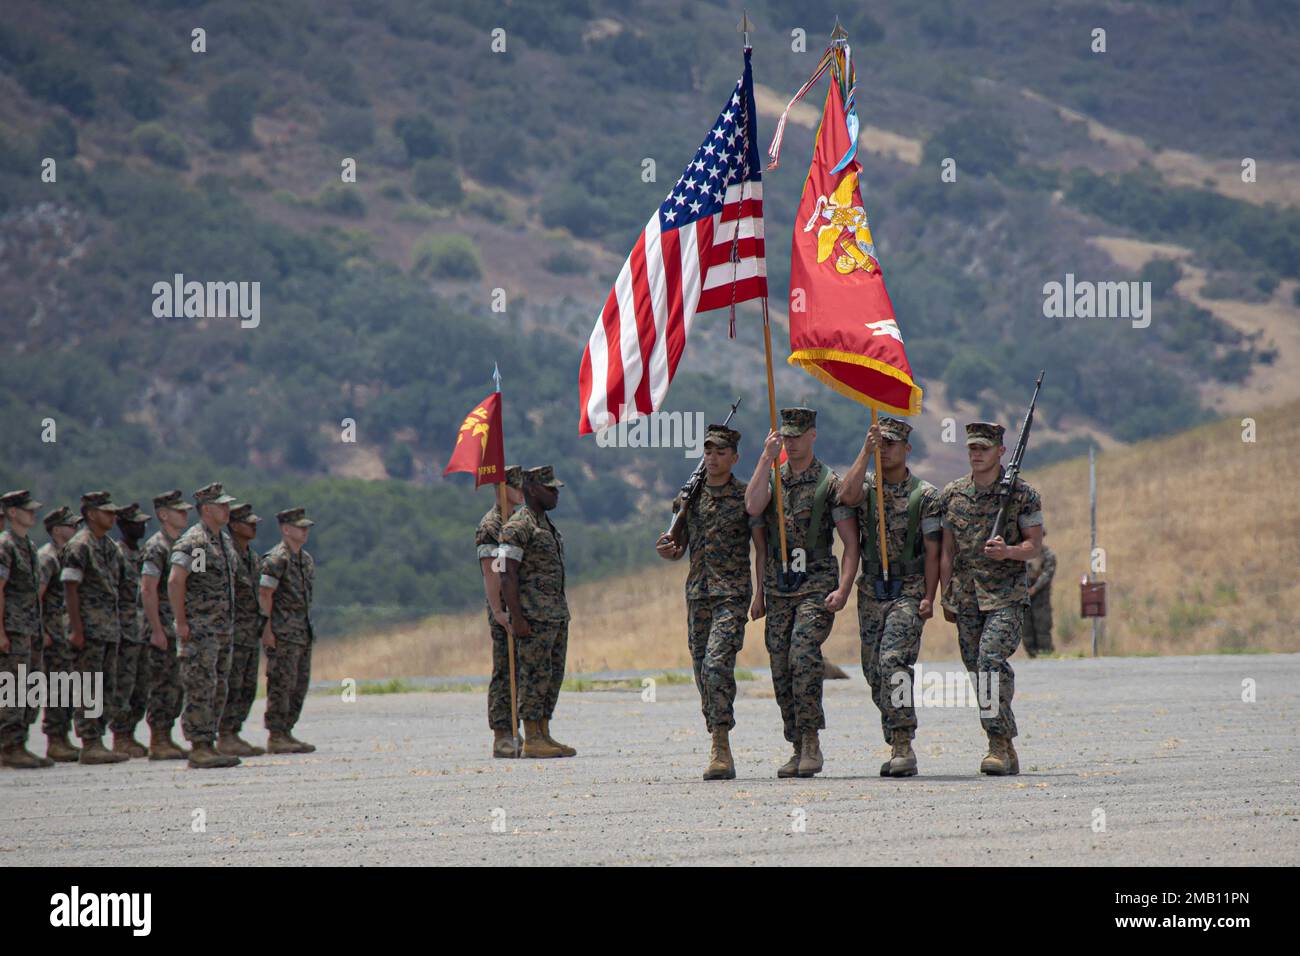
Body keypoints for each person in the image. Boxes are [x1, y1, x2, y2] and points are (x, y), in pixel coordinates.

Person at [744, 408, 859, 778]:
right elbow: (752, 505)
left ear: (812, 435)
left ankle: (811, 741)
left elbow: (850, 544)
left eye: (797, 436)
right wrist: (764, 458)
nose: (791, 444)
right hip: (780, 587)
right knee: (780, 663)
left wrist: (843, 589)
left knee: (802, 652)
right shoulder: (773, 479)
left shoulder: (829, 483)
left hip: (815, 584)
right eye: (786, 437)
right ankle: (795, 744)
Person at [938, 423, 1044, 775]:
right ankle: (1005, 744)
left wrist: (1008, 551)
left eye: (984, 448)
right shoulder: (953, 495)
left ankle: (998, 743)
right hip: (967, 596)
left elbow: (1034, 545)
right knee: (978, 673)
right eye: (972, 448)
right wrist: (945, 594)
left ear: (1000, 450)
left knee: (990, 660)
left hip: (1006, 595)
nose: (976, 453)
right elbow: (947, 551)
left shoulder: (1022, 494)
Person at [655, 424, 759, 780]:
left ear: (734, 458)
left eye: (719, 452)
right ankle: (715, 729)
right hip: (698, 593)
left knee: (716, 665)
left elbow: (761, 547)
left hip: (732, 593)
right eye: (708, 452)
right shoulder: (688, 498)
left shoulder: (745, 497)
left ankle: (721, 744)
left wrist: (760, 594)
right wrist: (669, 549)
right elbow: (678, 544)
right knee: (702, 670)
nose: (712, 458)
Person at [839, 417, 941, 777]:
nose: (885, 450)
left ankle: (902, 743)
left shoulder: (925, 496)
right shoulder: (866, 488)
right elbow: (845, 497)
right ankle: (893, 734)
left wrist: (930, 596)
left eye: (891, 444)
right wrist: (864, 453)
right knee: (873, 671)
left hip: (909, 588)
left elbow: (933, 552)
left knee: (893, 661)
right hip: (872, 590)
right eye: (880, 443)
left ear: (907, 449)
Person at [500, 466, 573, 759]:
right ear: (531, 489)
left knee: (552, 675)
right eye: (549, 488)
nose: (556, 493)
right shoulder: (518, 526)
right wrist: (516, 617)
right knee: (533, 674)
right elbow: (506, 573)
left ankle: (543, 732)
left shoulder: (546, 523)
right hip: (532, 616)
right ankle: (531, 737)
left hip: (555, 613)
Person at [169, 482, 240, 769]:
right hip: (200, 629)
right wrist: (181, 621)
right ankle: (198, 746)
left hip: (221, 629)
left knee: (218, 686)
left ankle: (209, 742)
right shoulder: (194, 541)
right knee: (200, 685)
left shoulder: (222, 540)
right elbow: (176, 580)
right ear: (207, 509)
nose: (227, 509)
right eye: (222, 505)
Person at [63, 491, 130, 764]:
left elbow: (122, 587)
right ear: (91, 514)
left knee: (106, 686)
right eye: (107, 512)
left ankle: (99, 738)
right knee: (88, 685)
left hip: (109, 629)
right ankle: (89, 742)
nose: (112, 516)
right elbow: (70, 587)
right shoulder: (80, 545)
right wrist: (76, 629)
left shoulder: (110, 546)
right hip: (89, 630)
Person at [474, 465, 524, 758]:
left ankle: (521, 729)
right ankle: (502, 733)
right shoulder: (491, 526)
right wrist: (498, 611)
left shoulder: (517, 520)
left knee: (521, 669)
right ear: (503, 488)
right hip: (503, 610)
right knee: (505, 671)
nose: (521, 491)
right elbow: (491, 573)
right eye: (516, 486)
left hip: (518, 607)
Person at [260, 507, 317, 754]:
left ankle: (287, 731)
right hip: (282, 632)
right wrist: (267, 629)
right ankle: (276, 734)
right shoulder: (276, 559)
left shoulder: (305, 560)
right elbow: (265, 595)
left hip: (301, 632)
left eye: (306, 527)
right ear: (285, 529)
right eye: (299, 527)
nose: (304, 531)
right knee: (281, 683)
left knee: (298, 684)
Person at [0, 490, 50, 769]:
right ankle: (9, 747)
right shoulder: (5, 545)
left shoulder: (27, 545)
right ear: (12, 512)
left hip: (29, 628)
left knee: (29, 687)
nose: (33, 513)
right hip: (12, 628)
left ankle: (19, 743)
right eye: (27, 509)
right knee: (12, 688)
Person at [141, 490, 191, 760]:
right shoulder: (156, 546)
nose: (184, 514)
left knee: (177, 683)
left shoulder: (184, 545)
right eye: (178, 510)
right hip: (162, 626)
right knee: (162, 683)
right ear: (163, 514)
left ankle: (167, 735)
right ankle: (158, 739)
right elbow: (147, 589)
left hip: (178, 627)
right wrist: (156, 629)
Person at [217, 502, 265, 757]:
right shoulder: (224, 553)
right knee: (230, 684)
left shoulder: (252, 557)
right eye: (249, 522)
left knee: (246, 686)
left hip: (249, 632)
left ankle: (234, 732)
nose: (254, 526)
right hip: (231, 631)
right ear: (234, 525)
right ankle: (224, 734)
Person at [36, 505, 80, 762]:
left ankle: (63, 738)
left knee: (67, 687)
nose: (76, 529)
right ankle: (54, 739)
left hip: (65, 633)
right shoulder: (48, 557)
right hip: (52, 632)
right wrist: (41, 630)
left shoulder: (67, 555)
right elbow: (37, 596)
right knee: (56, 687)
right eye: (70, 525)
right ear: (56, 530)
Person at [109, 503, 152, 758]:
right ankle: (120, 735)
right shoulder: (117, 553)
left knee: (141, 685)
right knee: (122, 684)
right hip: (123, 629)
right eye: (136, 522)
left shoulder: (143, 552)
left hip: (142, 628)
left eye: (143, 522)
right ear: (123, 525)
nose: (142, 526)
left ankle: (130, 734)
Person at [1022, 536, 1057, 657]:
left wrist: (1035, 588)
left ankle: (1045, 655)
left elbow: (1047, 574)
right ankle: (1032, 655)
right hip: (1024, 597)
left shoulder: (1048, 555)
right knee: (1026, 629)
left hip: (1041, 598)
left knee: (1042, 627)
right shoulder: (1021, 555)